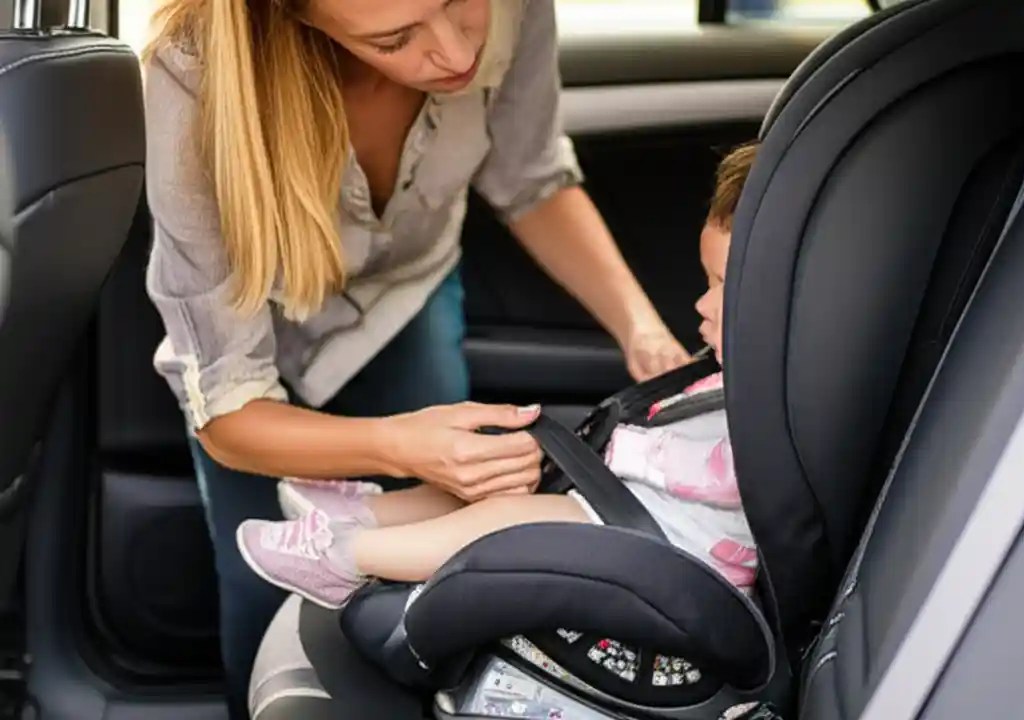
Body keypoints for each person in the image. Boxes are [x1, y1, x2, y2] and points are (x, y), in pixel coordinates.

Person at [141, 1, 690, 716]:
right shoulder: (196, 73)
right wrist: (400, 446)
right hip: (255, 359)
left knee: (442, 577)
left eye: (460, 2)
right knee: (270, 598)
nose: (456, 52)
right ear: (299, 21)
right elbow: (229, 411)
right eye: (395, 39)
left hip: (412, 299)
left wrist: (642, 330)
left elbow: (530, 177)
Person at [236, 142, 761, 609]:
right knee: (508, 466)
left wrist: (604, 453)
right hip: (646, 513)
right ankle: (369, 511)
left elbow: (707, 473)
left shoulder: (778, 403)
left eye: (722, 284)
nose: (700, 302)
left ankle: (347, 555)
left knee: (516, 512)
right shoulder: (736, 376)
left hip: (682, 555)